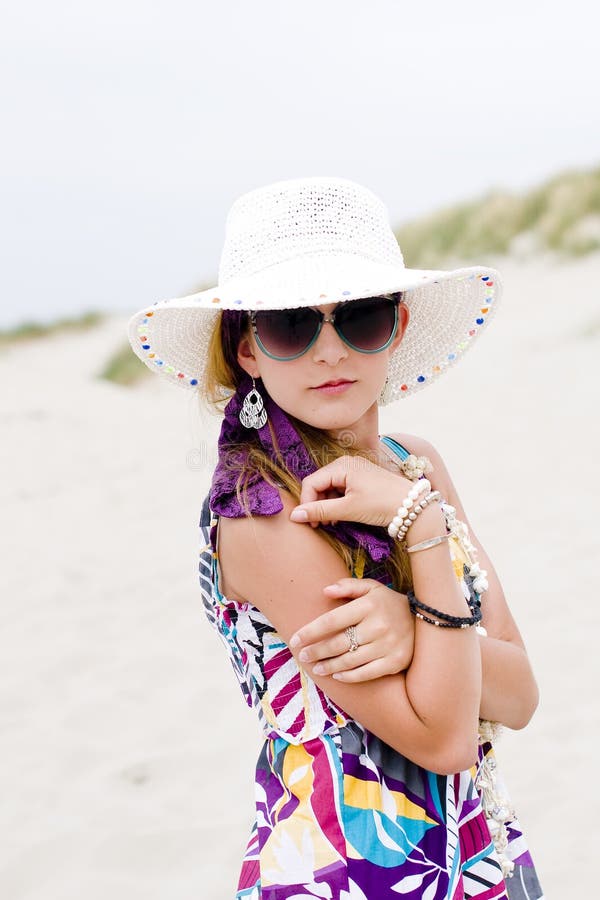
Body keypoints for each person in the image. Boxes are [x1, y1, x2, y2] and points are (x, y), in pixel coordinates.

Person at [127, 177, 544, 899]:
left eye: (358, 317)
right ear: (248, 349)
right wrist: (422, 532)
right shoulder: (263, 518)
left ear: (398, 328)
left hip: (473, 851)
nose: (329, 352)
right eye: (292, 324)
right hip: (350, 868)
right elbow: (443, 739)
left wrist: (409, 630)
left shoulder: (417, 465)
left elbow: (522, 695)